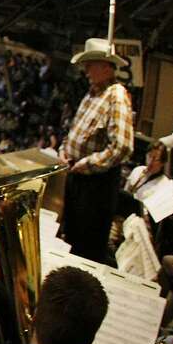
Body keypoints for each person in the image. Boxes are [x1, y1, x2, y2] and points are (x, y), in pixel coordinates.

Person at [60, 38, 134, 264]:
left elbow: (122, 146)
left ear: (105, 67)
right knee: (71, 236)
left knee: (86, 244)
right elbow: (74, 131)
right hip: (78, 177)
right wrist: (64, 149)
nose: (86, 70)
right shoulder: (92, 94)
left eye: (90, 65)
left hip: (95, 186)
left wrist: (88, 164)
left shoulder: (116, 95)